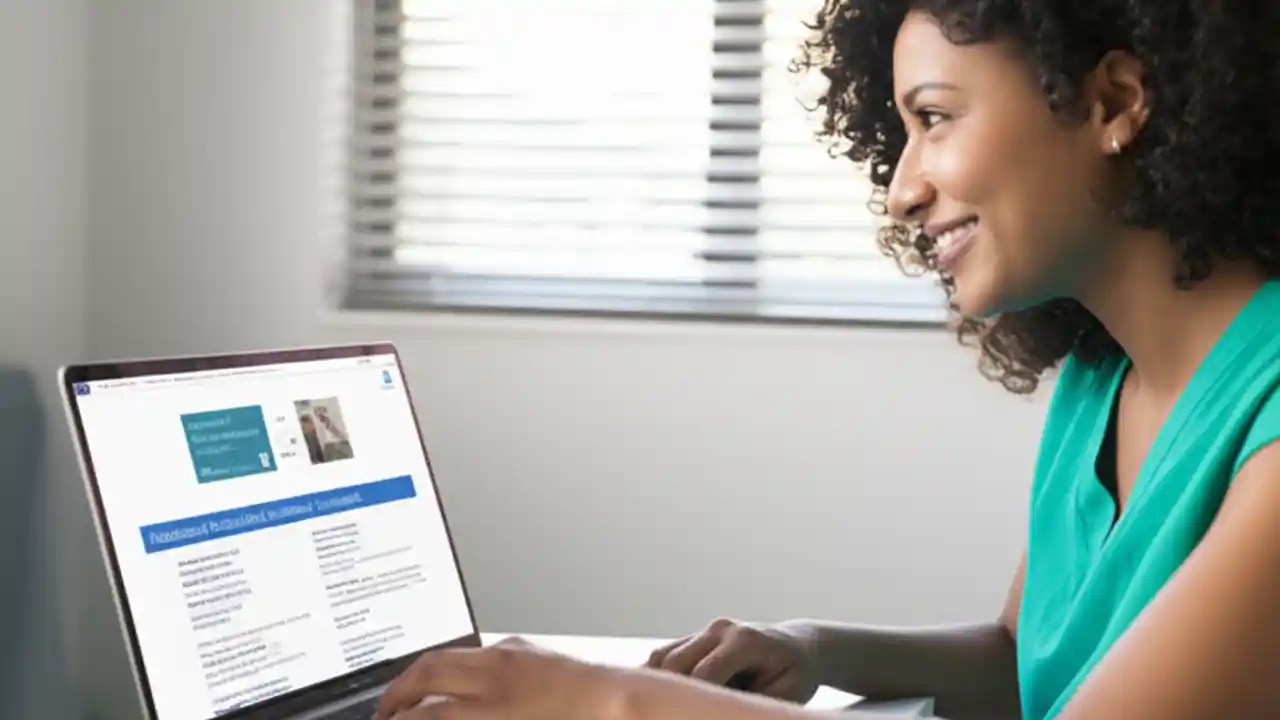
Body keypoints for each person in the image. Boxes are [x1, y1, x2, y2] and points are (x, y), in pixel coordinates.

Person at [373, 1, 1280, 718]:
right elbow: (1025, 663)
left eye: (935, 118)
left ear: (1114, 102)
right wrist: (813, 646)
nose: (902, 190)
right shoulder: (1101, 379)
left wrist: (611, 699)